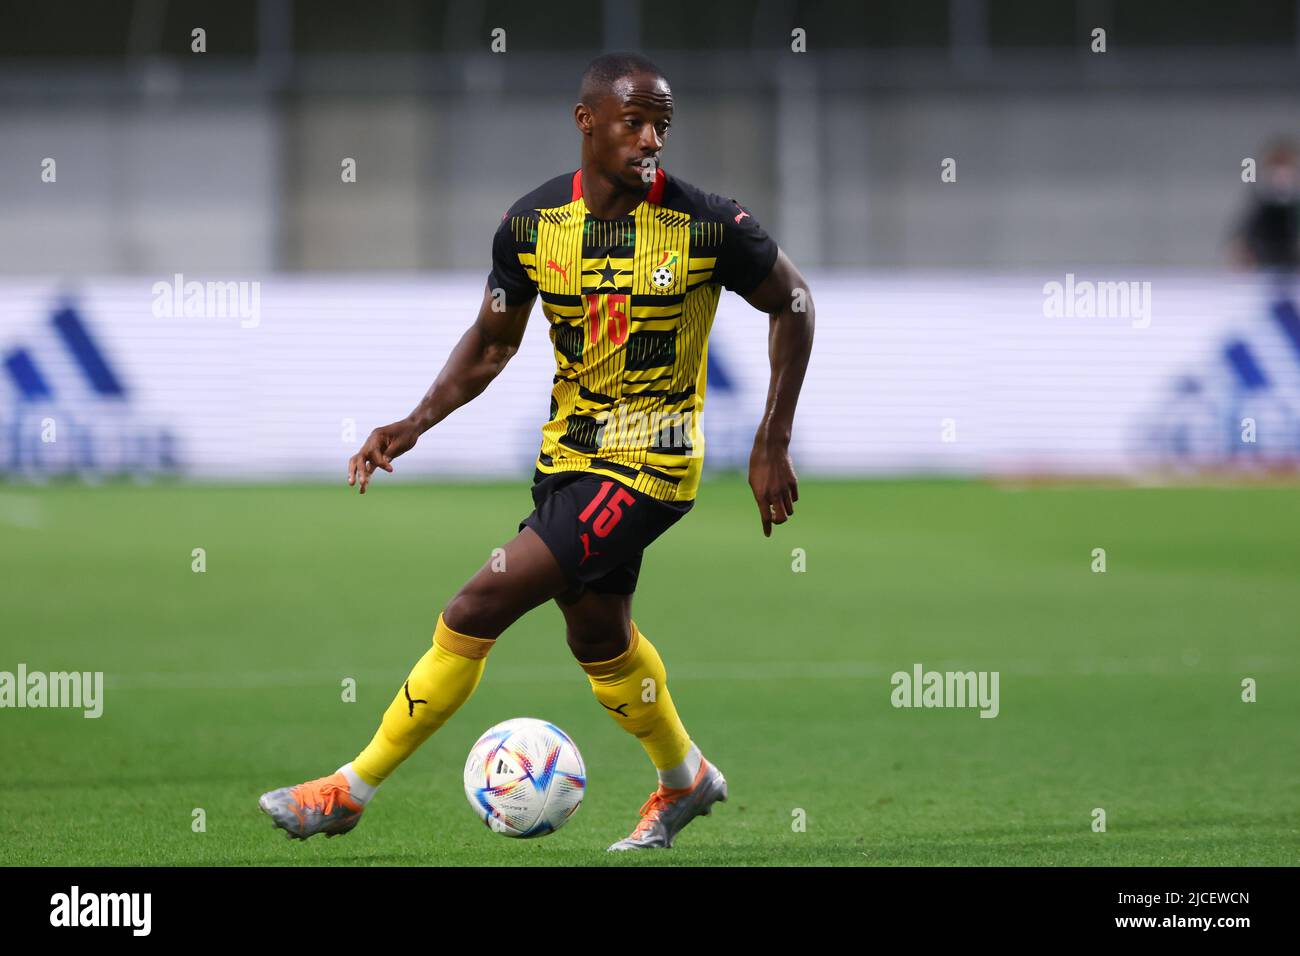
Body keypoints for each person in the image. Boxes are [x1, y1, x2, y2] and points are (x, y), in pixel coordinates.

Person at [258, 51, 814, 851]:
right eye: (634, 121)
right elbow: (491, 343)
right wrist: (413, 424)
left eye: (662, 122)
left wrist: (773, 438)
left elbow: (795, 304)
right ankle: (686, 778)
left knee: (475, 605)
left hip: (650, 464)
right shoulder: (531, 225)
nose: (651, 137)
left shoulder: (711, 224)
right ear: (587, 122)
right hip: (568, 461)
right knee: (598, 637)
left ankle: (349, 789)